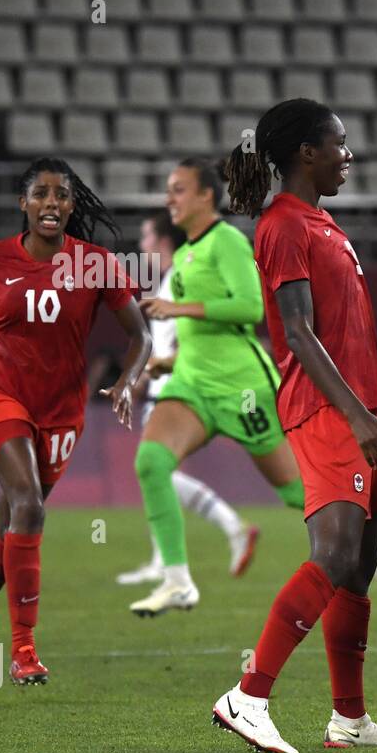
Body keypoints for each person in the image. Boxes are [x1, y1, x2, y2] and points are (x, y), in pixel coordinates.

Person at [211, 98, 377, 753]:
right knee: (331, 554)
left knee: (357, 566)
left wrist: (368, 410)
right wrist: (357, 417)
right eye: (339, 143)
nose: (348, 155)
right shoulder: (281, 227)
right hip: (326, 411)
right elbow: (297, 333)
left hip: (357, 407)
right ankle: (248, 696)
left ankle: (349, 722)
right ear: (306, 152)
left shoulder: (320, 223)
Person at [0, 157, 150, 684]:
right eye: (41, 194)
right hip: (1, 391)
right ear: (22, 204)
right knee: (28, 505)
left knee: (16, 517)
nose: (52, 203)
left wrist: (127, 380)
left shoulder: (95, 264)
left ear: (72, 206)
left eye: (62, 195)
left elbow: (139, 335)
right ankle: (24, 650)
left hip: (62, 408)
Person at [129, 158, 305, 616]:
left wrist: (180, 309)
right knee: (151, 461)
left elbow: (250, 307)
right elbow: (198, 335)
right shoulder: (186, 253)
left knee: (295, 494)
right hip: (192, 385)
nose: (170, 198)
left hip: (241, 386)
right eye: (168, 190)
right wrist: (165, 362)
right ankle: (177, 581)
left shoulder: (227, 240)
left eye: (178, 189)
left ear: (206, 195)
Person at [116, 208, 261, 589]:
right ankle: (164, 559)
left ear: (162, 241)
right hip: (167, 388)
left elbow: (187, 342)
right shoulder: (167, 283)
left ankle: (229, 528)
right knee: (158, 473)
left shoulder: (177, 283)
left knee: (154, 471)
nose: (141, 245)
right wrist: (140, 379)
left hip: (178, 392)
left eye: (145, 237)